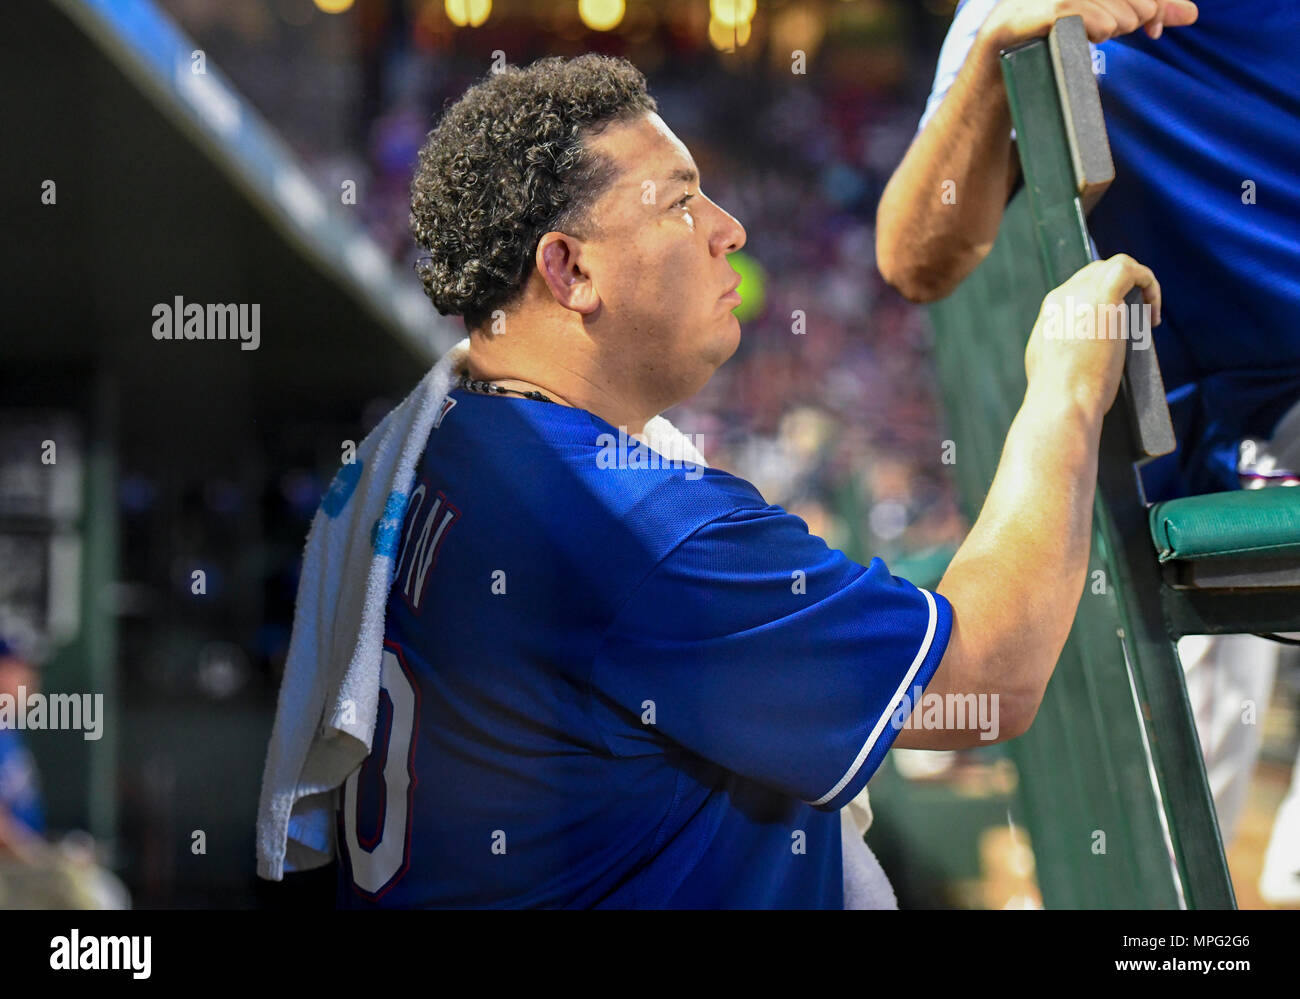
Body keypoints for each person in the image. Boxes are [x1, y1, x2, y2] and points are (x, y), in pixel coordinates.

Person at [313, 53, 1160, 908]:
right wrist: (1066, 386)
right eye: (681, 202)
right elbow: (985, 681)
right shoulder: (631, 526)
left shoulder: (441, 439)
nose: (730, 228)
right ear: (568, 269)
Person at [875, 0, 1300, 884]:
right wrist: (997, 45)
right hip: (1196, 441)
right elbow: (915, 256)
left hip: (1237, 439)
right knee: (1183, 819)